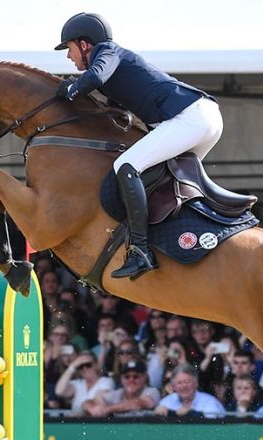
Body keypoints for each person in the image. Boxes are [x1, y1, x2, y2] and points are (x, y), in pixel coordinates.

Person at [54, 12, 222, 279]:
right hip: (201, 117)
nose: (68, 56)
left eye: (69, 48)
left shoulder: (106, 51)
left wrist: (69, 89)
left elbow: (94, 78)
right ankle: (188, 236)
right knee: (166, 181)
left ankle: (140, 251)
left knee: (126, 165)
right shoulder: (114, 66)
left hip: (189, 117)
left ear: (85, 45)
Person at [83, 358, 159, 417]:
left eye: (135, 376)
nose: (131, 380)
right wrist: (93, 409)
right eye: (127, 377)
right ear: (121, 379)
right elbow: (86, 403)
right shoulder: (118, 393)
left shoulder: (152, 391)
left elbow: (138, 404)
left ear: (144, 377)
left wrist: (107, 409)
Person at [54, 351, 115, 416]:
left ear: (96, 365)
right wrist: (73, 366)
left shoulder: (106, 381)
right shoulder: (77, 383)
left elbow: (98, 404)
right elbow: (59, 391)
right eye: (81, 366)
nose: (84, 368)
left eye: (88, 365)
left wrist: (75, 415)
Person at [155, 364, 225, 419]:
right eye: (179, 383)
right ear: (174, 387)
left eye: (187, 382)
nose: (183, 386)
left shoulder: (210, 402)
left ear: (196, 384)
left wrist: (190, 414)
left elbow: (211, 426)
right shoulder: (165, 403)